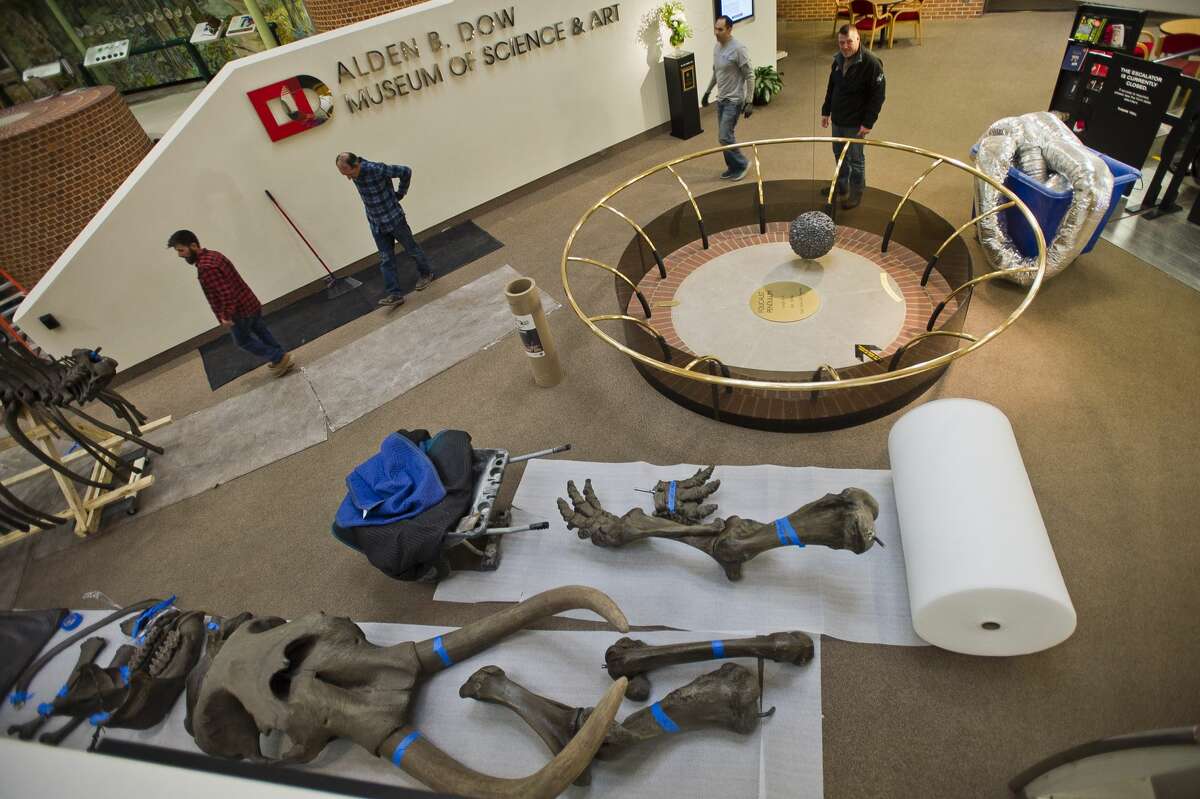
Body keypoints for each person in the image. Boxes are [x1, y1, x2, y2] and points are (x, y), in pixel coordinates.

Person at [167, 230, 292, 376]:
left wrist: (225, 316)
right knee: (261, 331)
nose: (180, 255)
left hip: (239, 313)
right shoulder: (214, 255)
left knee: (243, 341)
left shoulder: (206, 268)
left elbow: (227, 294)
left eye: (181, 250)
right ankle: (281, 359)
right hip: (250, 302)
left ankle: (279, 357)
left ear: (193, 246)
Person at [335, 152, 435, 306]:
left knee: (412, 249)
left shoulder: (377, 169)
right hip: (376, 224)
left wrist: (400, 193)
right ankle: (395, 294)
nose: (348, 178)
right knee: (385, 259)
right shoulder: (355, 173)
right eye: (344, 175)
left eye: (349, 173)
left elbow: (405, 171)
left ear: (356, 165)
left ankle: (426, 274)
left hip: (395, 219)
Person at [821, 25, 886, 209]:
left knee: (856, 159)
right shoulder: (838, 59)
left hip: (856, 123)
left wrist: (868, 122)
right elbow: (832, 87)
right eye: (841, 42)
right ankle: (842, 186)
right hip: (838, 119)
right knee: (839, 155)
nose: (845, 46)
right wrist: (826, 110)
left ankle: (857, 191)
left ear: (858, 39)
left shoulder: (871, 63)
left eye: (849, 41)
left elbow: (878, 96)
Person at [701, 15, 754, 181]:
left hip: (734, 100)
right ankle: (733, 167)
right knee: (725, 137)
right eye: (715, 28)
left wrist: (749, 101)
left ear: (730, 29)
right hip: (721, 99)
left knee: (724, 136)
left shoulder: (738, 49)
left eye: (720, 29)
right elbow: (716, 73)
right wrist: (707, 92)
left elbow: (750, 75)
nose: (716, 32)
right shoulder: (717, 48)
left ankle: (743, 164)